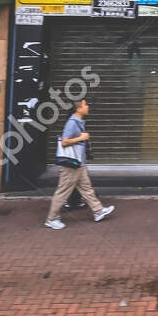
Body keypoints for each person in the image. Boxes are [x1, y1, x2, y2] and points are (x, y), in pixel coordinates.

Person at [44, 98, 114, 229]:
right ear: (79, 108)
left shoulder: (78, 121)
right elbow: (64, 142)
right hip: (71, 165)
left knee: (86, 188)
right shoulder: (72, 123)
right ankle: (51, 219)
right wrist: (81, 138)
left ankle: (98, 211)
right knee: (63, 192)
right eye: (85, 105)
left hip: (78, 163)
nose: (87, 107)